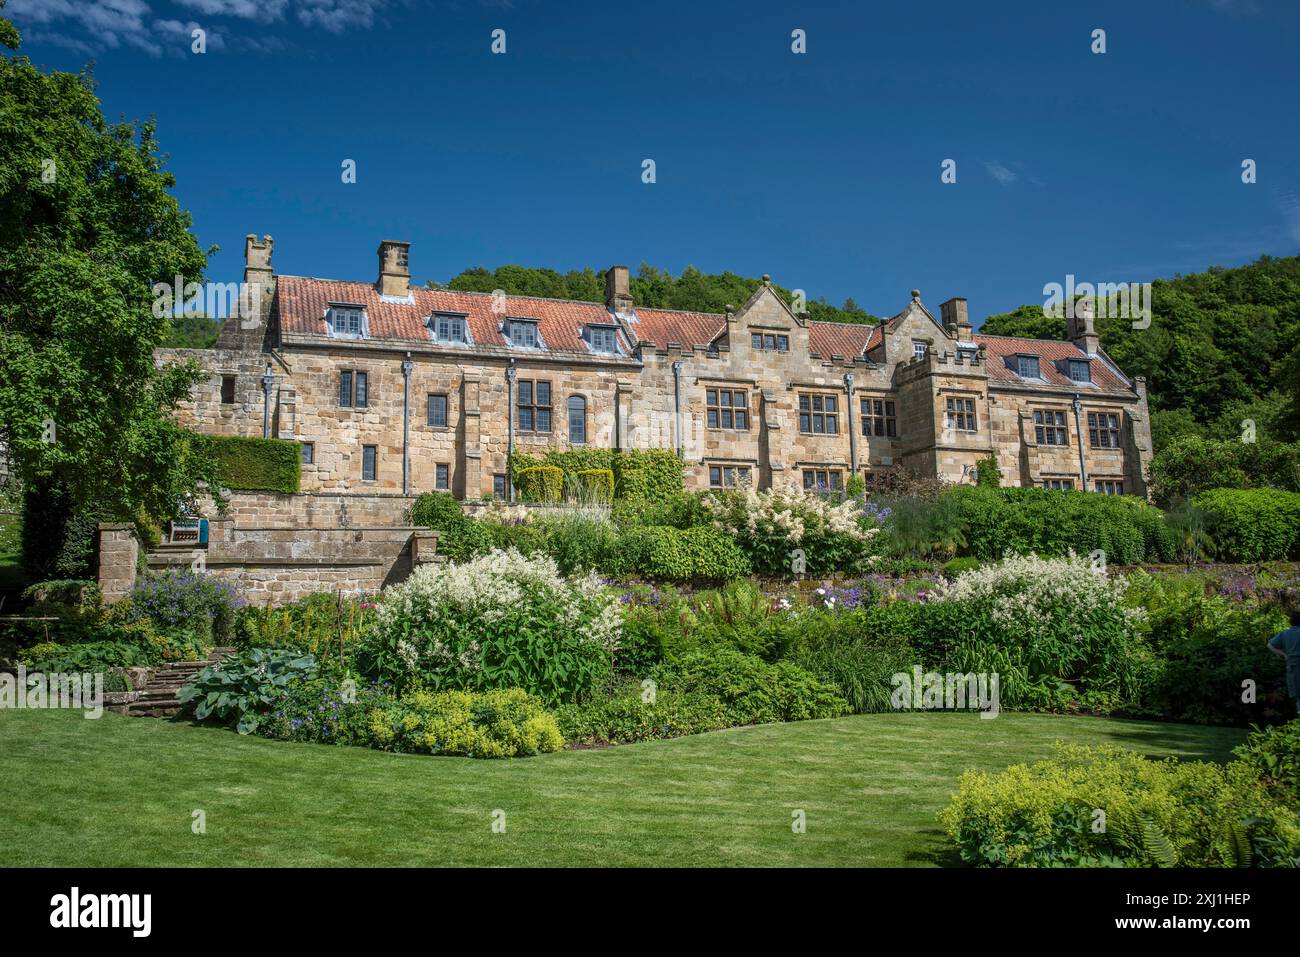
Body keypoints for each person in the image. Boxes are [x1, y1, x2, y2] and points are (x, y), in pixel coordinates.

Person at [1268, 596, 1300, 713]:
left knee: (1298, 696)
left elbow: (1270, 645)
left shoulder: (1285, 634)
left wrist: (1283, 654)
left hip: (1292, 665)